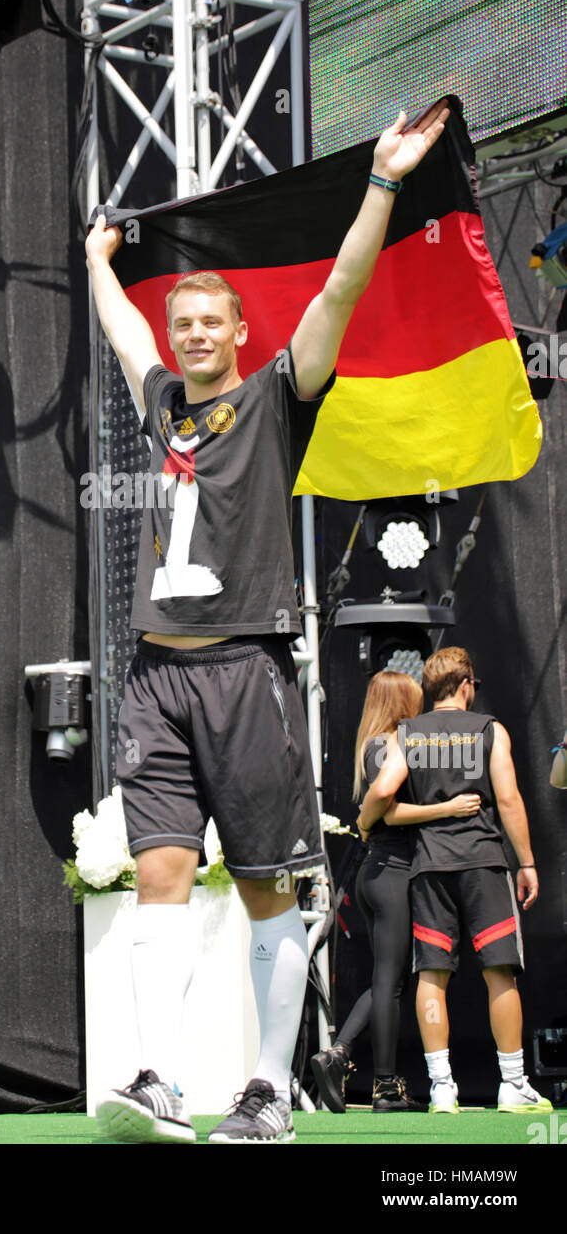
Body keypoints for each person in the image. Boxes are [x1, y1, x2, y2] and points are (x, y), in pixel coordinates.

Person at [84, 101, 451, 1144]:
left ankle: (263, 1089)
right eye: (182, 323)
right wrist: (98, 260)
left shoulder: (276, 396)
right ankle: (154, 1079)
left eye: (211, 323)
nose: (193, 335)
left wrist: (380, 181)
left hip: (247, 672)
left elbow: (338, 288)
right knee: (157, 871)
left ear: (238, 333)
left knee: (259, 886)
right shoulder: (161, 404)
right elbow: (118, 328)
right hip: (155, 672)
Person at [358, 645, 552, 1114]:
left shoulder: (407, 733)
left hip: (429, 868)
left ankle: (441, 1087)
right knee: (499, 971)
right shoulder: (490, 730)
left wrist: (365, 822)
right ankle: (512, 1082)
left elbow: (382, 789)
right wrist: (526, 862)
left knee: (432, 975)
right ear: (466, 686)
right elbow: (508, 800)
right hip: (484, 864)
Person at [312, 671, 481, 1114]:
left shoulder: (379, 745)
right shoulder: (387, 746)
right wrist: (445, 807)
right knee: (390, 982)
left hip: (380, 872)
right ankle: (379, 1082)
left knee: (389, 980)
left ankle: (345, 1056)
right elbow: (387, 810)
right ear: (401, 703)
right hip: (393, 872)